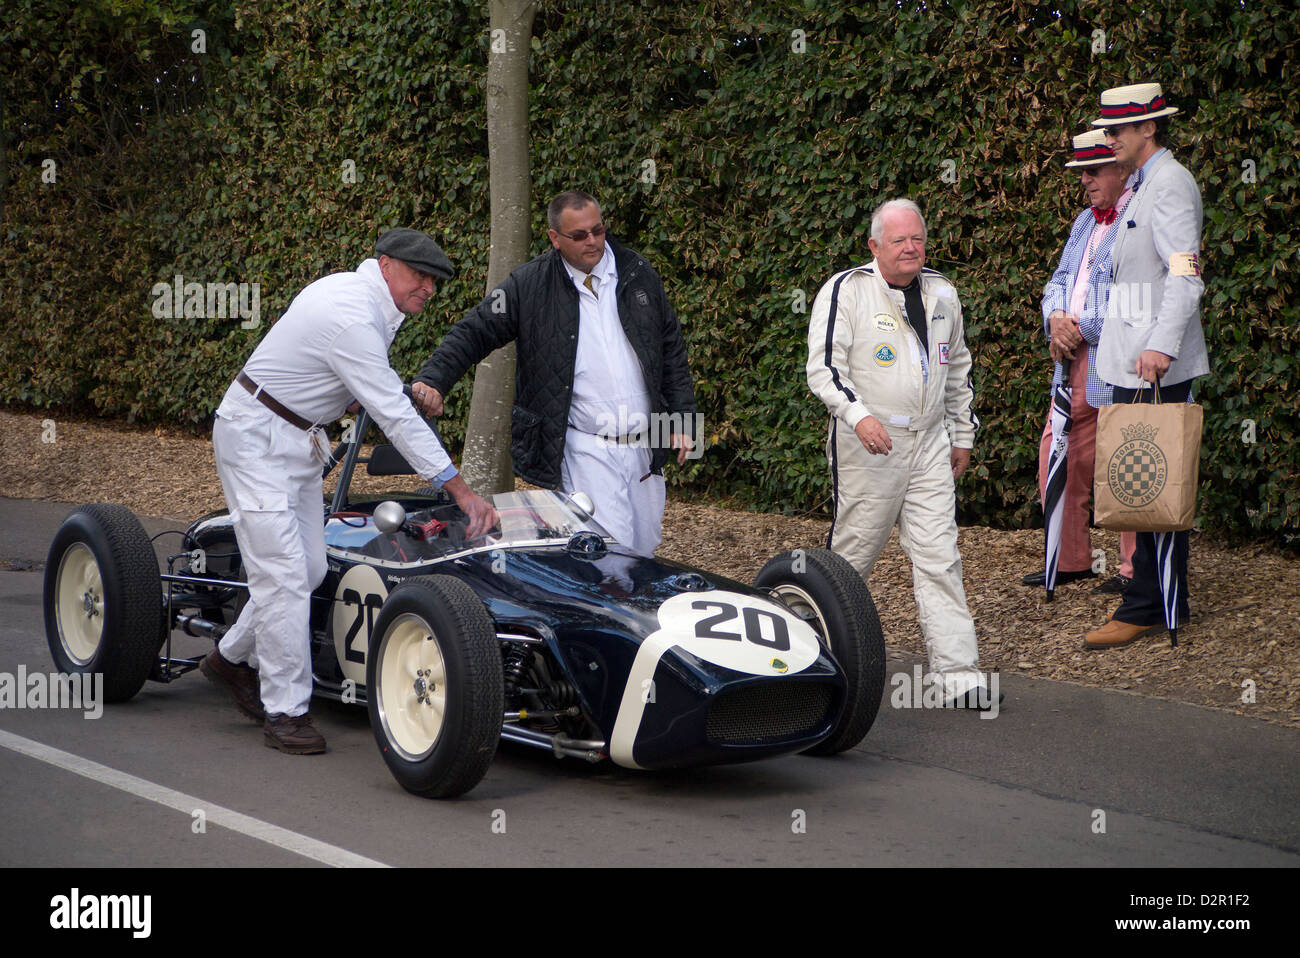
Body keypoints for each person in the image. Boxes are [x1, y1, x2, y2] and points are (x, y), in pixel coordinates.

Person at [201, 228, 498, 753]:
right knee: (285, 575)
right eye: (418, 275)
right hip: (255, 437)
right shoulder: (353, 314)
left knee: (310, 569)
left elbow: (349, 385)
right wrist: (461, 491)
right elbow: (395, 417)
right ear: (385, 264)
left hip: (296, 436)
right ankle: (285, 712)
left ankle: (228, 659)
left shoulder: (369, 303)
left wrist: (369, 394)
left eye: (434, 281)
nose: (428, 287)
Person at [411, 190, 698, 557]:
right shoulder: (530, 286)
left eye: (598, 230)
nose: (592, 241)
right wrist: (433, 379)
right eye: (579, 236)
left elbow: (671, 347)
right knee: (609, 553)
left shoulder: (638, 272)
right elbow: (475, 330)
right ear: (554, 238)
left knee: (645, 547)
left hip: (644, 445)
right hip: (585, 447)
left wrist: (686, 419)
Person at [806, 198, 994, 708]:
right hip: (871, 444)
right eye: (898, 241)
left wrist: (963, 435)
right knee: (850, 561)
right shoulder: (847, 290)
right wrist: (858, 416)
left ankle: (958, 677)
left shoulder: (942, 293)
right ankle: (804, 657)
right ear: (874, 246)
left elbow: (957, 370)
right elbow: (824, 368)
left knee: (940, 557)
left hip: (930, 444)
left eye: (917, 239)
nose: (911, 248)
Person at [1084, 82, 1208, 650]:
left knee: (1152, 485)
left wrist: (1160, 346)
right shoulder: (1142, 185)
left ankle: (1149, 606)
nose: (1109, 140)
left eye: (1115, 131)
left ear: (1147, 129)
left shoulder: (1170, 186)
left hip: (1153, 364)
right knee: (1142, 485)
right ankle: (1154, 598)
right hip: (1132, 362)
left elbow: (1185, 273)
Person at [1023, 129, 1137, 594]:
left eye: (1094, 170)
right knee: (1057, 451)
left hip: (1118, 359)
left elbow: (1131, 294)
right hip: (1070, 360)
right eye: (1081, 173)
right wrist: (1054, 318)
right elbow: (1058, 280)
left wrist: (1077, 327)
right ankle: (1070, 559)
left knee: (1128, 461)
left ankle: (1136, 573)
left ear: (1120, 169)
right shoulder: (1083, 223)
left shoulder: (1138, 216)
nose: (1086, 180)